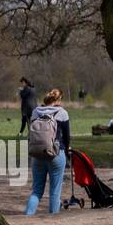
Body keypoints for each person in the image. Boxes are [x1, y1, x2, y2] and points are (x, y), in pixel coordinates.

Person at [24, 88, 70, 217]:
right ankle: (53, 217)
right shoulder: (62, 113)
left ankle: (27, 215)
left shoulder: (35, 112)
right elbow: (67, 137)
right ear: (59, 100)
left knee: (37, 190)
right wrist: (68, 150)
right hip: (55, 154)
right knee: (55, 190)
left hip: (37, 154)